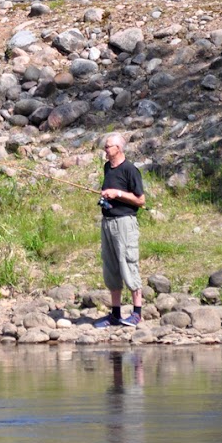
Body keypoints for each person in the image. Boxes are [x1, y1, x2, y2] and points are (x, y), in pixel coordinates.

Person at [94, 132, 145, 327]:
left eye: (108, 147)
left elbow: (140, 200)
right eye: (105, 147)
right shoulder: (107, 167)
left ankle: (136, 313)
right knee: (111, 267)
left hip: (125, 223)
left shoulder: (130, 170)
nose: (105, 150)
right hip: (107, 222)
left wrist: (118, 193)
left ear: (119, 148)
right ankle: (115, 314)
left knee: (128, 264)